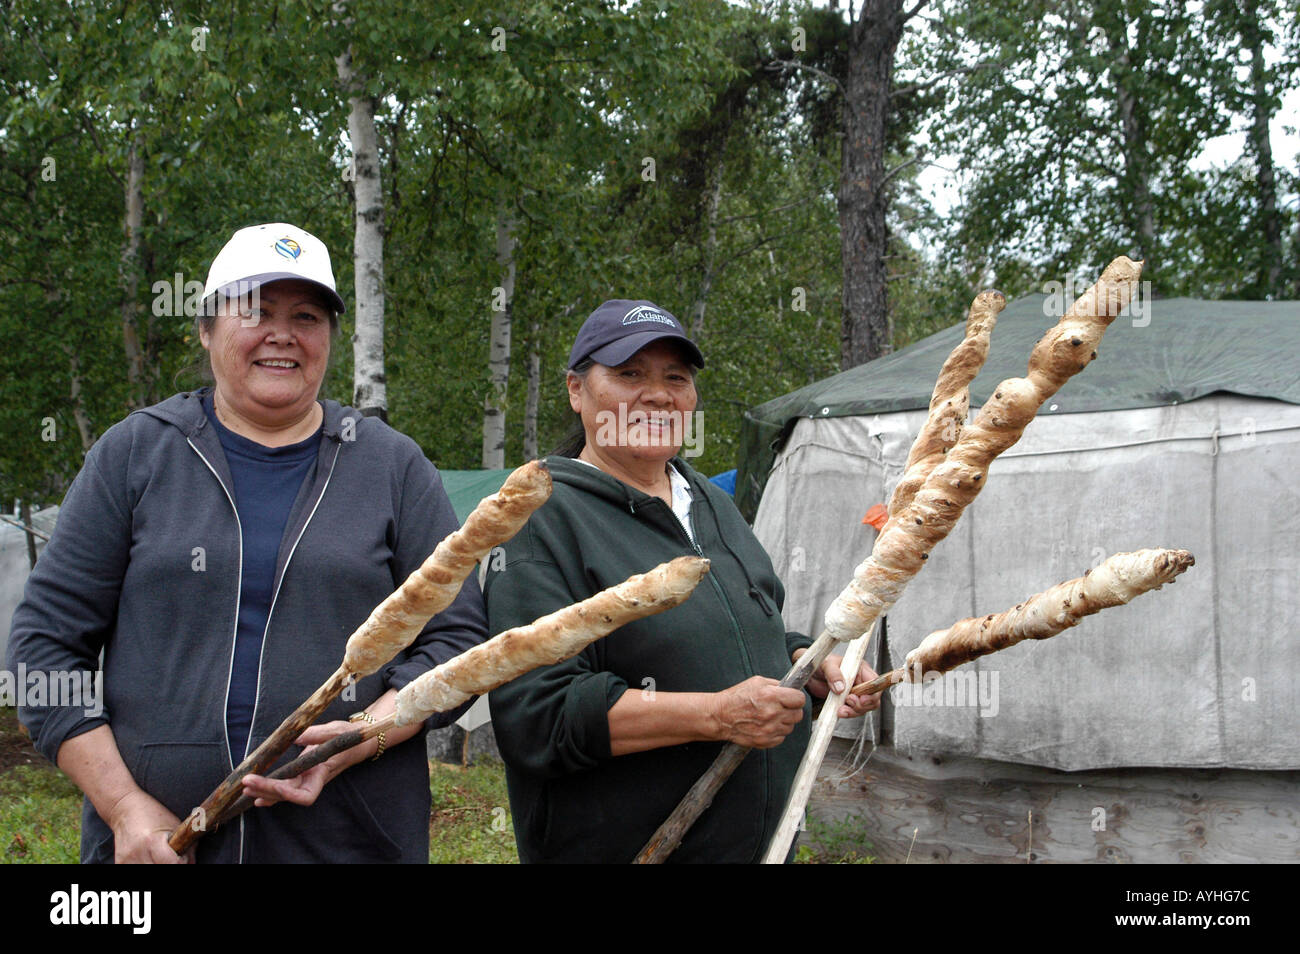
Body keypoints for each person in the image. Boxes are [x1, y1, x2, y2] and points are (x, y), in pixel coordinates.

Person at [6, 223, 487, 863]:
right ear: (206, 328)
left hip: (347, 841)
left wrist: (359, 737)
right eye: (254, 311)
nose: (282, 333)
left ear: (329, 340)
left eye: (306, 315)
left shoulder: (391, 468)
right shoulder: (135, 454)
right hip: (158, 848)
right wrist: (123, 808)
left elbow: (458, 642)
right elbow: (43, 650)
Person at [485, 299, 883, 863]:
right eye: (629, 374)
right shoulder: (537, 518)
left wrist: (805, 664)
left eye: (676, 377)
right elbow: (537, 716)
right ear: (577, 391)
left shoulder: (714, 506)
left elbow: (748, 632)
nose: (658, 394)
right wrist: (717, 715)